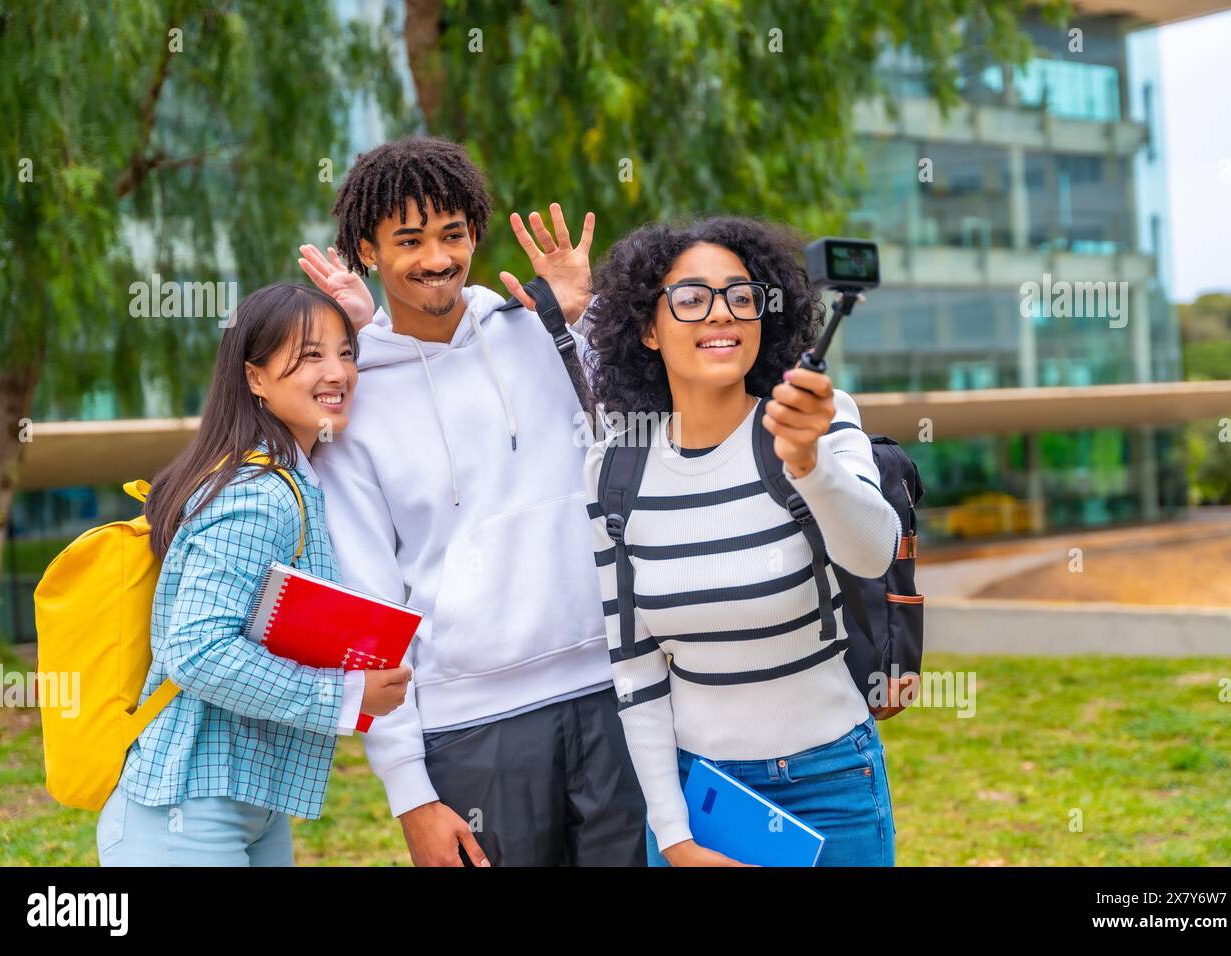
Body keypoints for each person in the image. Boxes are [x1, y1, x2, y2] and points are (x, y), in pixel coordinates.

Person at [302, 135, 646, 866]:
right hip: (470, 729)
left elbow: (639, 442)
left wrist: (584, 319)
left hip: (611, 694)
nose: (436, 258)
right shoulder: (354, 403)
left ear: (475, 234)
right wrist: (411, 796)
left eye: (452, 234)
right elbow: (369, 604)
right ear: (368, 248)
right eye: (410, 239)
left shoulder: (540, 335)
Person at [583, 217, 903, 866]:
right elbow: (635, 668)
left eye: (740, 295)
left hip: (833, 784)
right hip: (704, 796)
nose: (720, 314)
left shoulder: (820, 417)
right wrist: (673, 837)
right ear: (648, 327)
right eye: (692, 298)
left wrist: (810, 464)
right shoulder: (615, 469)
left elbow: (874, 552)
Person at [97, 283, 410, 866]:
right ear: (255, 378)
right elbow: (198, 649)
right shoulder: (260, 494)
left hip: (244, 806)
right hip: (184, 815)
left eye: (346, 353)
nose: (337, 372)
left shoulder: (292, 476)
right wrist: (343, 695)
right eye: (310, 355)